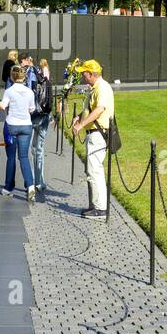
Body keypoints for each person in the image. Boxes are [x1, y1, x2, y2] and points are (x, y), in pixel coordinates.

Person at [70, 59, 114, 220]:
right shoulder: (94, 88)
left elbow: (99, 110)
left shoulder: (102, 88)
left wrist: (81, 124)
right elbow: (89, 109)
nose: (82, 75)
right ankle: (95, 206)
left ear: (91, 74)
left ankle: (100, 209)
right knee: (92, 170)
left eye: (84, 73)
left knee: (95, 170)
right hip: (94, 133)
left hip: (98, 134)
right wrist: (78, 117)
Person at [0, 65, 37, 202]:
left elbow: (2, 107)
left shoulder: (9, 91)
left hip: (11, 126)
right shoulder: (30, 92)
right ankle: (30, 186)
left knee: (11, 157)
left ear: (12, 77)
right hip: (26, 126)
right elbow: (32, 109)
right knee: (24, 157)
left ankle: (8, 188)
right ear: (24, 77)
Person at [30, 59, 53, 192]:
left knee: (33, 148)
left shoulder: (31, 84)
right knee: (39, 148)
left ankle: (33, 179)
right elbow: (50, 103)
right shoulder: (48, 83)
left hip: (33, 117)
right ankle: (39, 181)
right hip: (44, 116)